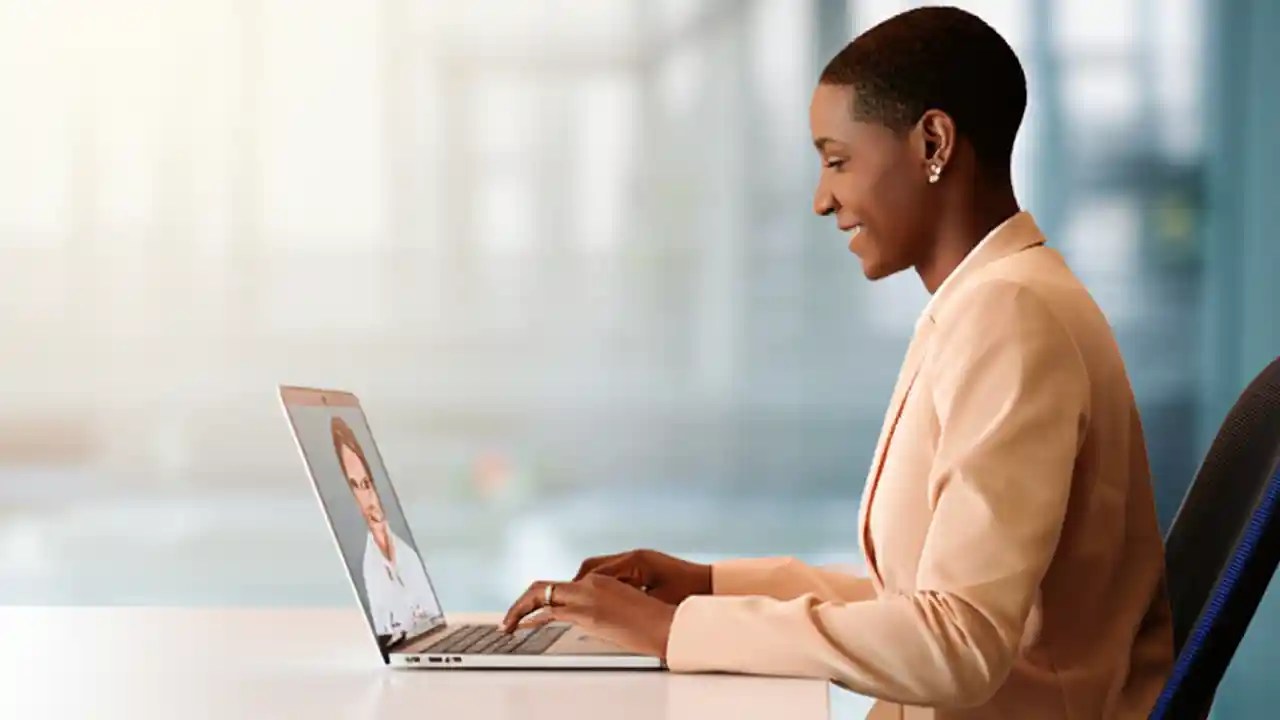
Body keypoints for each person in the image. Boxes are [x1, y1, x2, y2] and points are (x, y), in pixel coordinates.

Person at [501, 7, 1174, 718]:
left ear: (933, 143)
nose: (824, 199)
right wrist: (707, 586)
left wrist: (674, 631)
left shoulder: (1013, 316)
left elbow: (958, 645)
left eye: (838, 159)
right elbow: (915, 601)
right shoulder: (993, 300)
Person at [332, 416, 436, 642]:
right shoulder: (368, 569)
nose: (368, 498)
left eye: (367, 483)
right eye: (356, 487)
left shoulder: (407, 555)